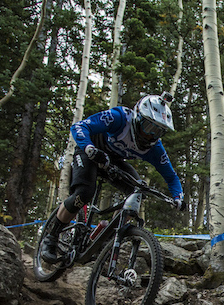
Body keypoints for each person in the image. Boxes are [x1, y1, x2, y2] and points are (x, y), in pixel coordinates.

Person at [41, 91, 185, 263]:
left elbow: (171, 176)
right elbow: (79, 127)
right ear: (138, 117)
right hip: (90, 151)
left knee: (137, 191)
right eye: (148, 127)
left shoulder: (154, 148)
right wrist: (88, 147)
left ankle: (107, 239)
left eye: (157, 131)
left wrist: (178, 197)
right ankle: (51, 237)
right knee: (85, 192)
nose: (150, 135)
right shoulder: (119, 118)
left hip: (114, 161)